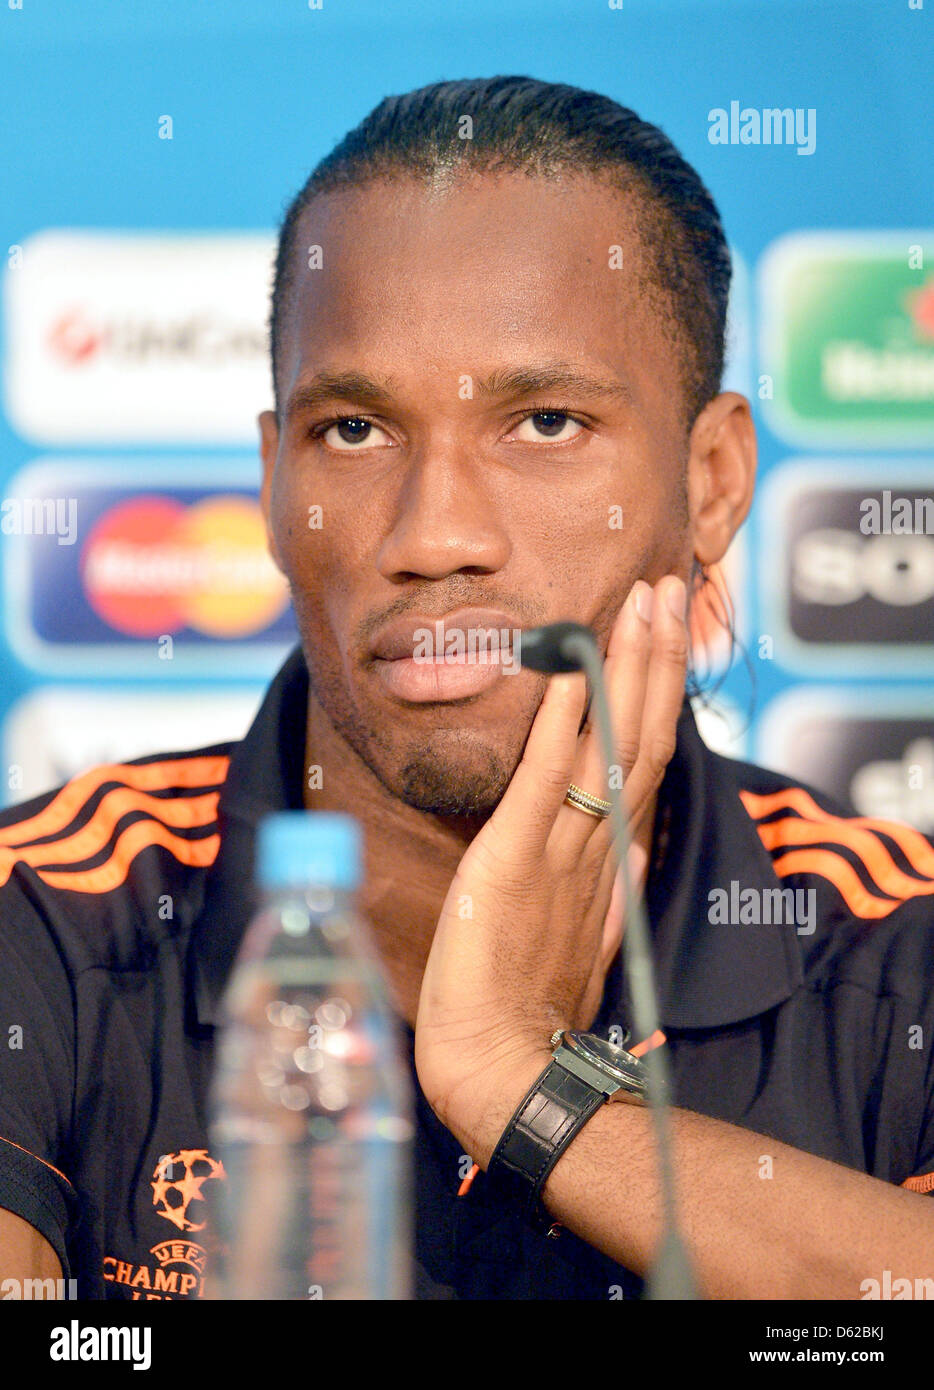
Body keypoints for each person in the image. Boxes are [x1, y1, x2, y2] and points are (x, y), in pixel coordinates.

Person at [1, 75, 932, 1302]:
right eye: (353, 431)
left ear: (709, 483)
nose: (435, 534)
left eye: (543, 422)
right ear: (274, 483)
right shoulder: (46, 918)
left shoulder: (897, 947)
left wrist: (524, 1088)